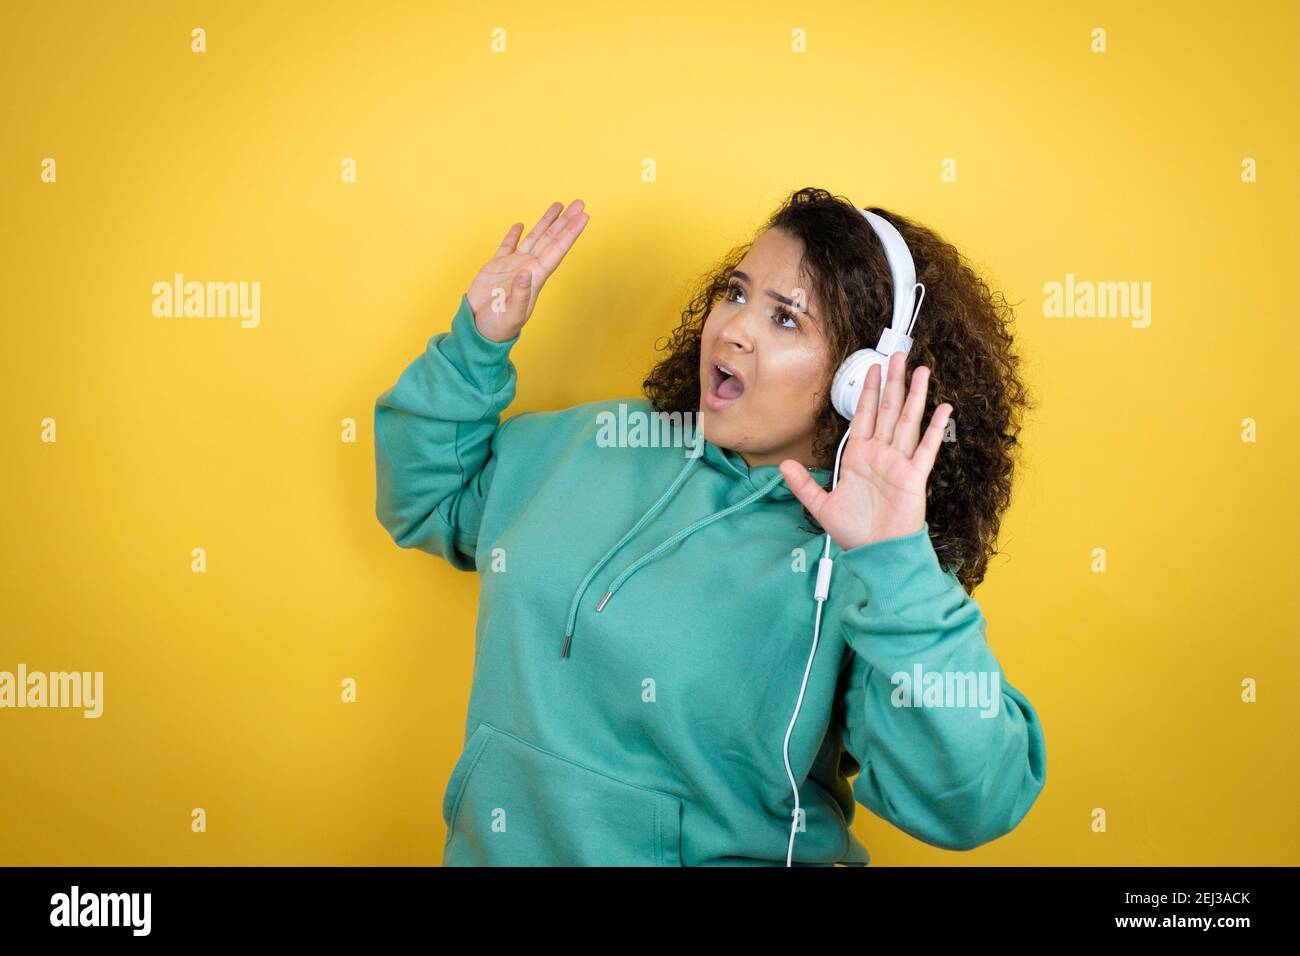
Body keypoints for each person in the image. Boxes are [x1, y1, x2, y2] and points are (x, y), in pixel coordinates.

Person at [373, 186, 1047, 866]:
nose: (733, 328)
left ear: (861, 378)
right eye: (736, 293)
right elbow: (430, 503)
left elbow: (972, 800)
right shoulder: (599, 441)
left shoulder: (863, 562)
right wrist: (476, 348)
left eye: (786, 320)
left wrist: (896, 561)